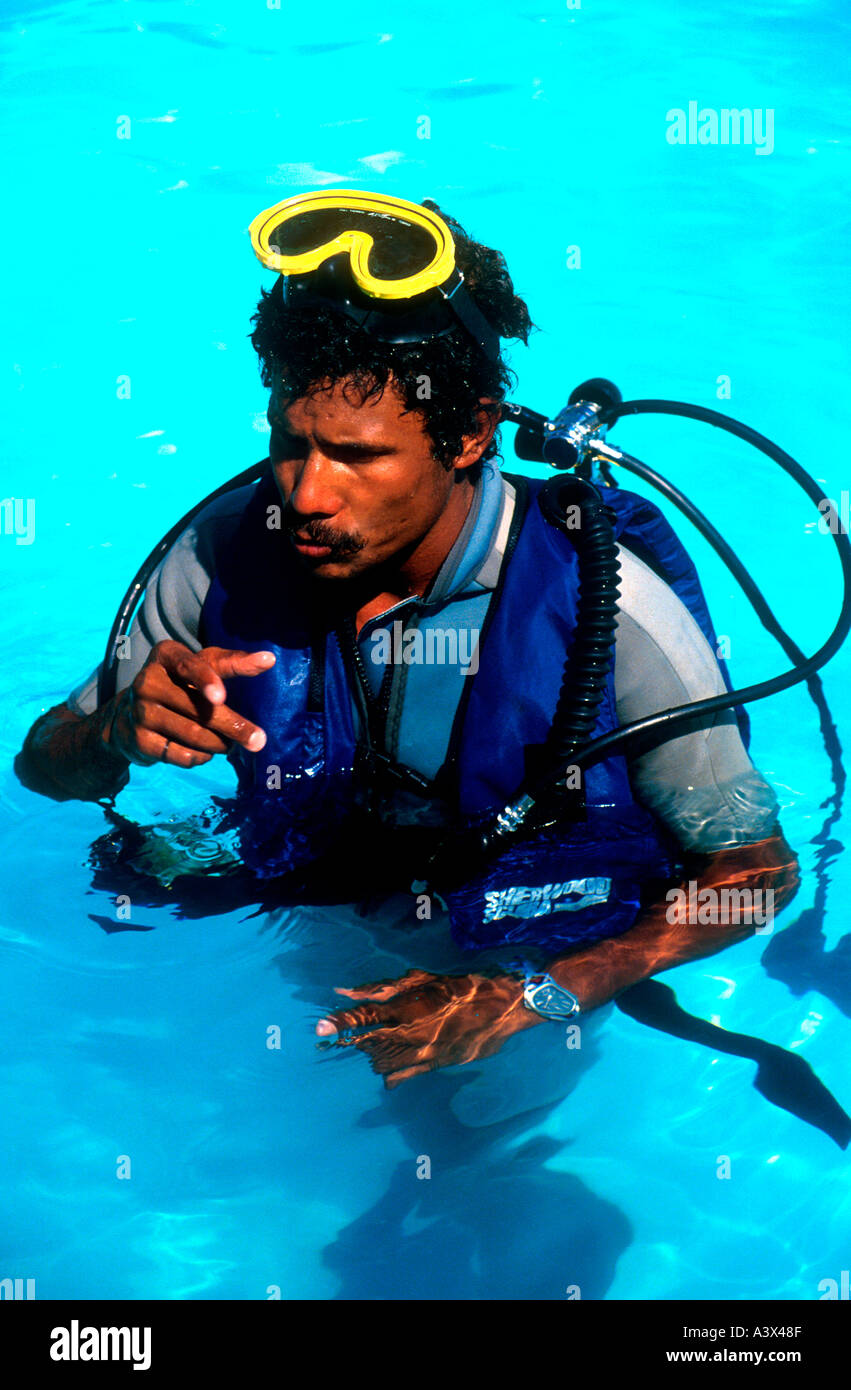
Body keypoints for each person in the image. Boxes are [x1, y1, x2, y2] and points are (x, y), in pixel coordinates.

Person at [16, 190, 800, 1088]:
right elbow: (46, 767)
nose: (306, 494)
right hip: (313, 897)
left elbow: (753, 872)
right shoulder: (221, 555)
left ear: (468, 433)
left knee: (477, 1164)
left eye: (356, 456)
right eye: (289, 441)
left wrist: (538, 994)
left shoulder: (609, 611)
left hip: (525, 958)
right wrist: (112, 732)